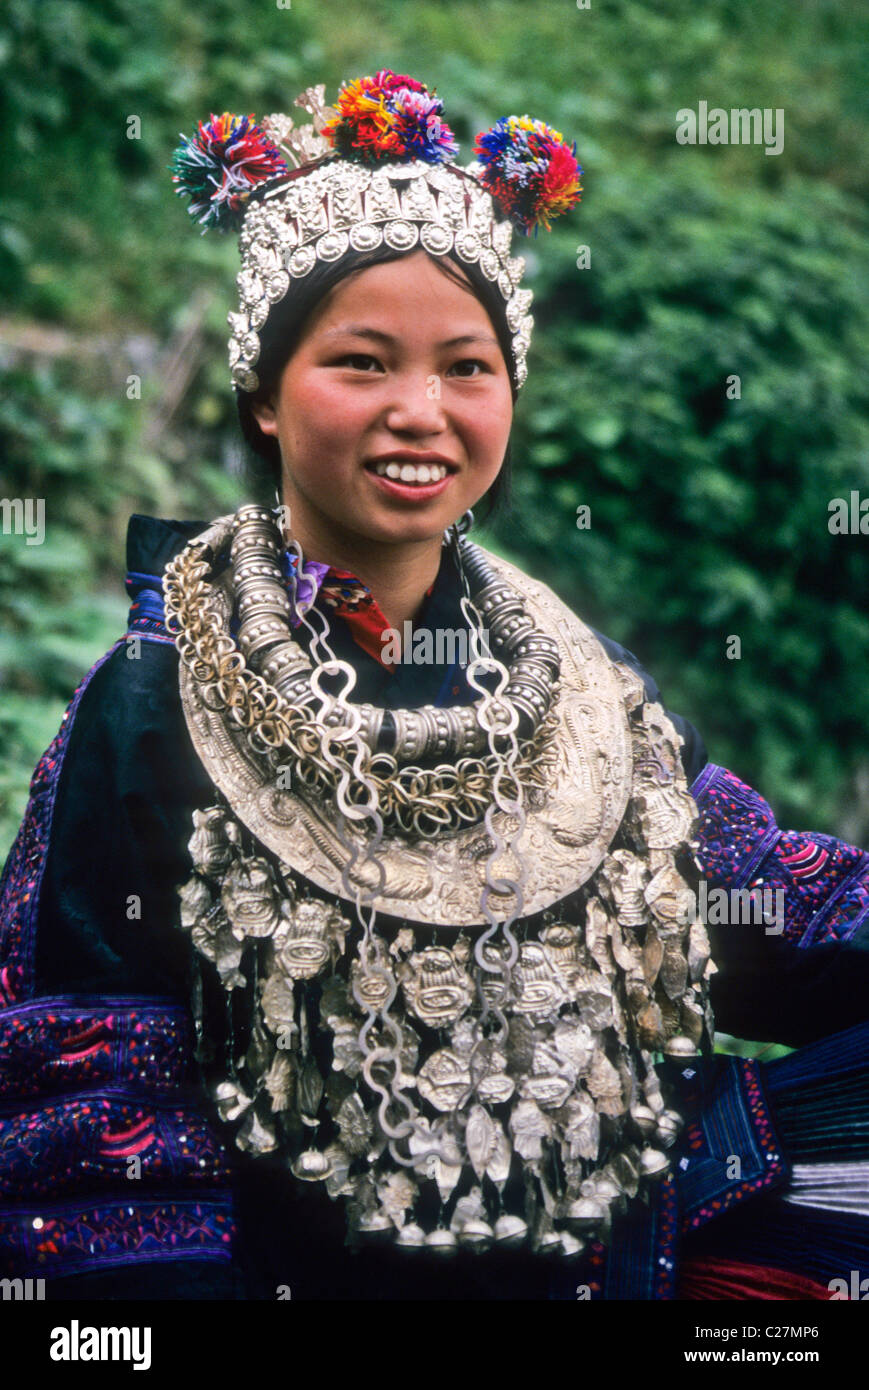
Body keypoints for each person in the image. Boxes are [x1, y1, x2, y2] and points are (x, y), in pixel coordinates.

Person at [2, 69, 868, 1302]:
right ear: (261, 395)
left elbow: (746, 905)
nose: (422, 411)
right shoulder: (155, 697)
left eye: (467, 367)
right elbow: (101, 1109)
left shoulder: (585, 683)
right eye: (362, 362)